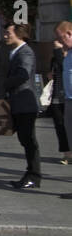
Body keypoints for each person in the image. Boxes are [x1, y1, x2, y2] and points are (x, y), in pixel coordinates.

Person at [2, 23, 40, 189]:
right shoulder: (14, 52)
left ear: (19, 34)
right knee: (24, 139)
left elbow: (24, 74)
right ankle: (31, 173)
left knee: (29, 140)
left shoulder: (26, 52)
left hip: (25, 103)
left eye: (8, 33)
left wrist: (6, 83)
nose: (5, 36)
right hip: (17, 102)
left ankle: (34, 175)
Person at [56, 21, 72, 199]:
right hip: (69, 100)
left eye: (61, 38)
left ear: (69, 33)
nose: (60, 42)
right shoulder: (68, 54)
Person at [49, 34, 68, 166]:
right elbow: (55, 70)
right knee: (60, 126)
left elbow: (64, 67)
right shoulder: (55, 56)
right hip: (57, 95)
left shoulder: (69, 55)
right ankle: (67, 153)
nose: (56, 41)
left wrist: (58, 51)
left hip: (68, 96)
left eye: (60, 38)